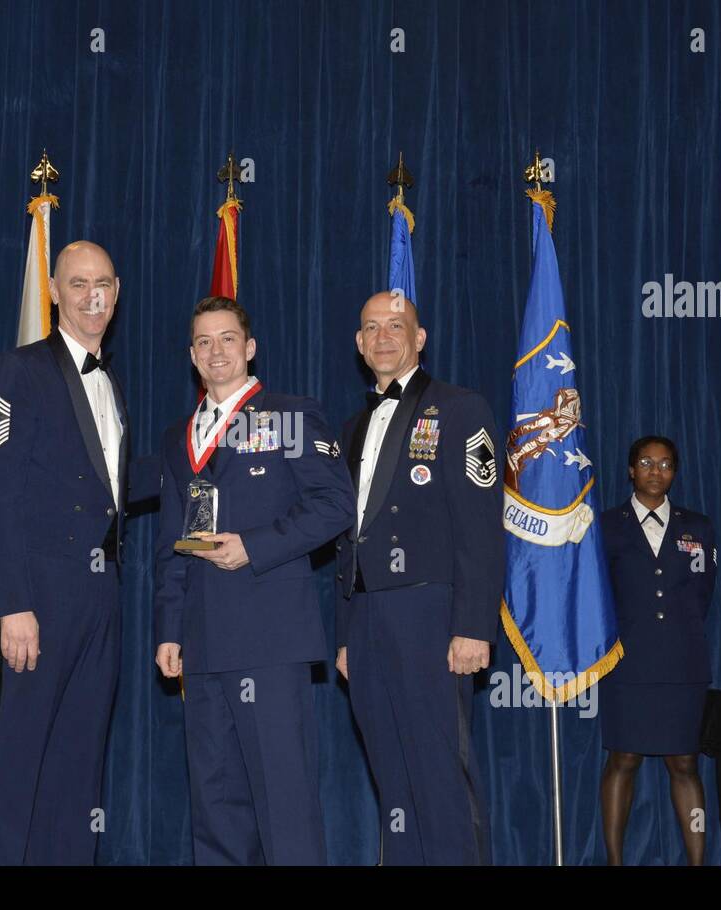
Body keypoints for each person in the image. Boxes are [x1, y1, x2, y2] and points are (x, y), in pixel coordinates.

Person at [153, 295, 355, 865]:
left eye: (227, 339)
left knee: (284, 804)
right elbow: (172, 541)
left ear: (250, 348)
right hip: (202, 639)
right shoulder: (179, 437)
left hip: (270, 639)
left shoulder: (290, 416)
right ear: (192, 355)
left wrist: (255, 546)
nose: (216, 351)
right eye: (204, 342)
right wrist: (169, 629)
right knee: (215, 807)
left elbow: (336, 504)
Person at [0, 240, 129, 865]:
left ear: (117, 294)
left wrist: (196, 471)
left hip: (99, 600)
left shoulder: (110, 383)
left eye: (104, 283)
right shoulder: (19, 371)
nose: (93, 294)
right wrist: (12, 604)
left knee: (76, 772)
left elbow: (107, 489)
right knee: (12, 770)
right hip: (35, 598)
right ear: (55, 291)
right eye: (79, 282)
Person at [334, 291, 504, 865]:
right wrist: (344, 633)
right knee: (392, 778)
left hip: (432, 617)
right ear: (359, 344)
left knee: (440, 777)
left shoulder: (461, 409)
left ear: (420, 337)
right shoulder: (351, 427)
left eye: (396, 325)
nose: (384, 336)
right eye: (371, 327)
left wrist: (475, 624)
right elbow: (346, 540)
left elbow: (481, 526)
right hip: (367, 622)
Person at [597, 435, 718, 866]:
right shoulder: (606, 525)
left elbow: (703, 592)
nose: (655, 471)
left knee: (685, 765)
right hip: (626, 663)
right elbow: (597, 594)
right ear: (631, 470)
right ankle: (614, 862)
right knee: (622, 760)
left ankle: (698, 862)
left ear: (674, 472)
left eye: (665, 464)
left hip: (682, 663)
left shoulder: (698, 526)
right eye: (646, 463)